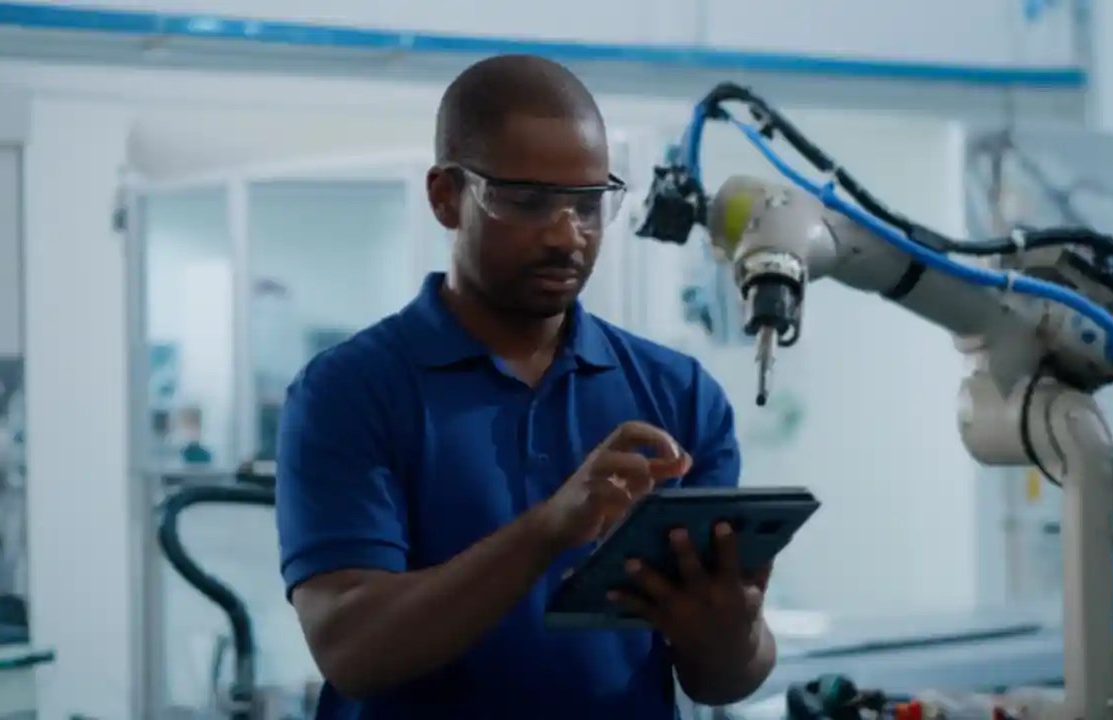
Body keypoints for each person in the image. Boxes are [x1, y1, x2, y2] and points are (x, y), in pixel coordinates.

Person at [276, 54, 776, 720]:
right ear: (445, 196)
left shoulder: (678, 393)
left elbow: (720, 680)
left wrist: (731, 634)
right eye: (528, 200)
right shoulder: (348, 391)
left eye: (589, 204)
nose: (568, 235)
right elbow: (351, 650)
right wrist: (549, 529)